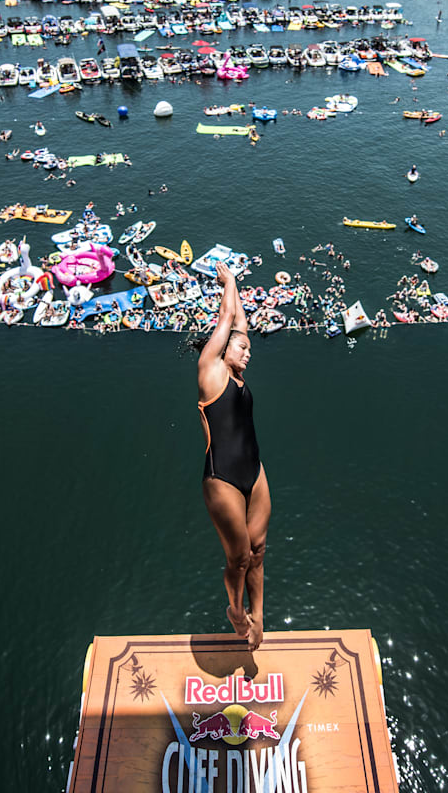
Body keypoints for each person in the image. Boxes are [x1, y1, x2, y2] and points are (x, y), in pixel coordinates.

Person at [196, 261, 268, 652]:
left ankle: (259, 617)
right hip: (222, 477)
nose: (248, 352)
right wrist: (230, 282)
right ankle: (236, 612)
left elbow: (238, 319)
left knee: (258, 552)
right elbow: (227, 317)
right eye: (243, 348)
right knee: (239, 558)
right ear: (223, 349)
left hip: (254, 471)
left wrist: (236, 292)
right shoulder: (211, 371)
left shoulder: (238, 378)